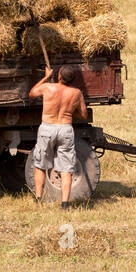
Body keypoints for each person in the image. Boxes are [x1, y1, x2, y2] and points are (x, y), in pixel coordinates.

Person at [28, 65, 88, 207]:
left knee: (41, 165)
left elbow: (32, 93)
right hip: (65, 128)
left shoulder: (48, 87)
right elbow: (84, 115)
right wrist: (70, 110)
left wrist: (46, 76)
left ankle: (38, 199)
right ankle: (65, 204)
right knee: (66, 168)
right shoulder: (76, 93)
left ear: (59, 76)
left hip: (47, 127)